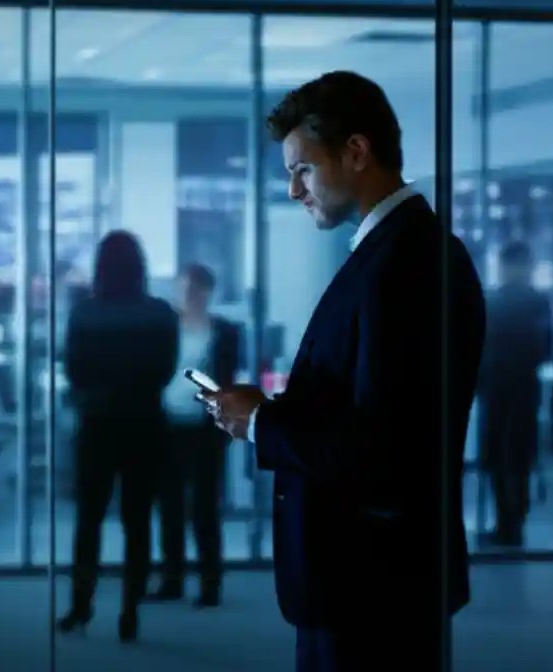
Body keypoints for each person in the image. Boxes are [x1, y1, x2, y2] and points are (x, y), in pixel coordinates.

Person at [201, 71, 486, 672]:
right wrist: (267, 413)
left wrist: (262, 426)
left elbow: (382, 447)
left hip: (373, 583)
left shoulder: (405, 263)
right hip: (367, 577)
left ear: (356, 151)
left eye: (303, 169)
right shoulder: (393, 252)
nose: (293, 190)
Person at [57, 231, 178, 642]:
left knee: (88, 521)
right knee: (137, 522)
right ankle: (130, 613)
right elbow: (165, 371)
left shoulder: (84, 314)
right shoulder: (160, 313)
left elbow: (73, 370)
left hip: (97, 425)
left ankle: (80, 606)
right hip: (145, 424)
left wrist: (97, 393)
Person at [150, 262, 241, 607]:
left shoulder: (225, 331)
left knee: (205, 507)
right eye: (184, 288)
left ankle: (209, 583)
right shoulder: (165, 329)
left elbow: (228, 380)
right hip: (167, 424)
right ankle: (172, 579)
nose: (189, 295)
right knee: (170, 505)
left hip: (205, 428)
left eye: (195, 288)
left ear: (207, 292)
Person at [477, 241, 553, 547]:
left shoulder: (494, 301)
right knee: (515, 457)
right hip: (521, 385)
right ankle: (511, 523)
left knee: (500, 456)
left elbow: (481, 344)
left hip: (497, 386)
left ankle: (505, 523)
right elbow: (546, 346)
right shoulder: (537, 302)